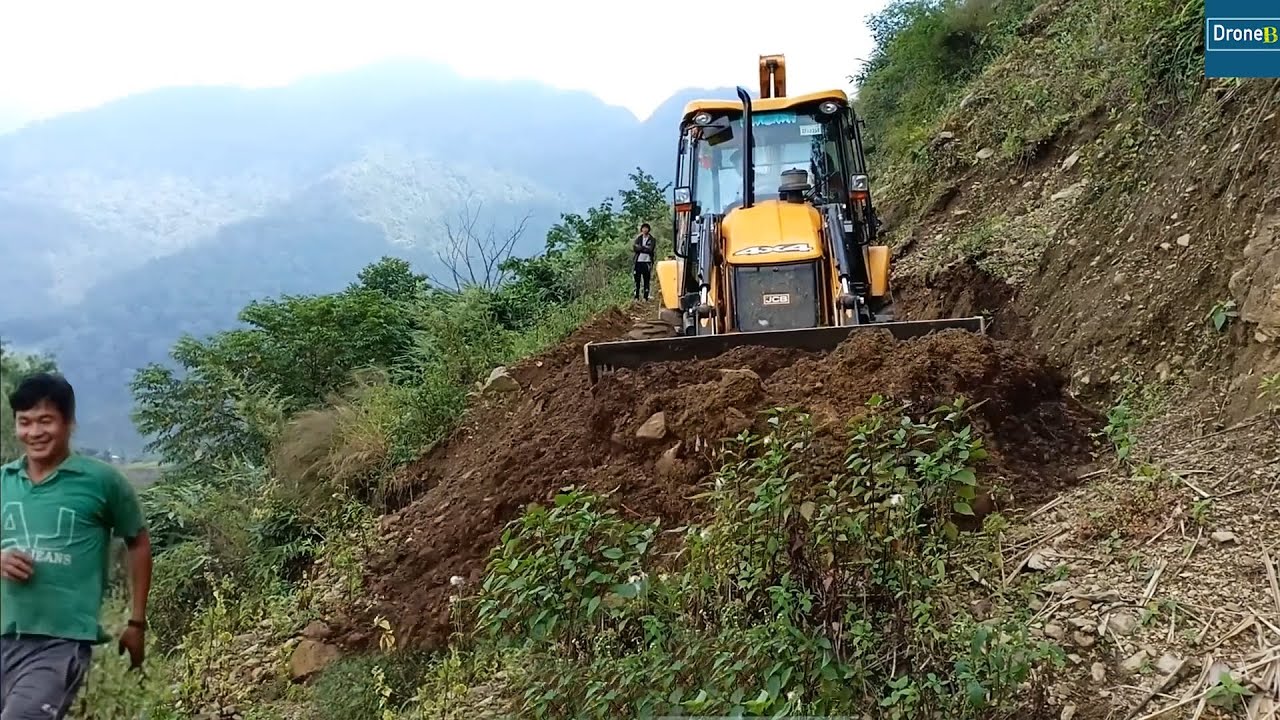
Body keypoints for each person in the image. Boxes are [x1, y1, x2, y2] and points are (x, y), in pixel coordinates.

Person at [1, 373, 152, 719]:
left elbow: (138, 542)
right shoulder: (3, 481)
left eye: (45, 421)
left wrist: (136, 622)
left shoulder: (102, 481)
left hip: (59, 643)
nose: (34, 432)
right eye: (25, 422)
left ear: (69, 423)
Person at [632, 223, 656, 301]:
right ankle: (636, 296)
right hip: (638, 261)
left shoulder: (652, 239)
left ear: (648, 229)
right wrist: (644, 248)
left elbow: (650, 249)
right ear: (641, 229)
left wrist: (641, 248)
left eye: (646, 228)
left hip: (647, 261)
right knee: (637, 280)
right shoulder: (638, 238)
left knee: (646, 279)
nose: (645, 230)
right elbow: (635, 248)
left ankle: (645, 297)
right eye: (643, 228)